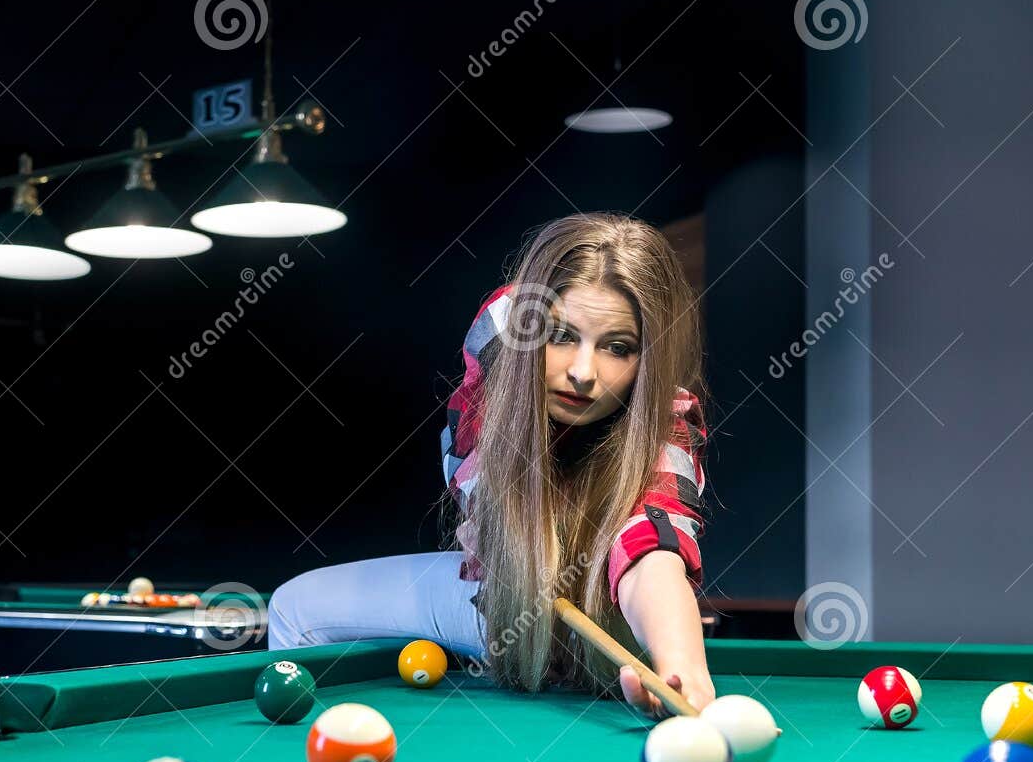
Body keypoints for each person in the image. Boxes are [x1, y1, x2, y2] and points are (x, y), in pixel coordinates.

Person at [268, 212, 712, 715]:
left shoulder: (667, 419)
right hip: (502, 594)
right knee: (295, 606)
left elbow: (650, 552)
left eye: (617, 347)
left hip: (611, 621)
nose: (584, 373)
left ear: (647, 360)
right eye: (562, 335)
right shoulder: (499, 354)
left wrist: (682, 667)